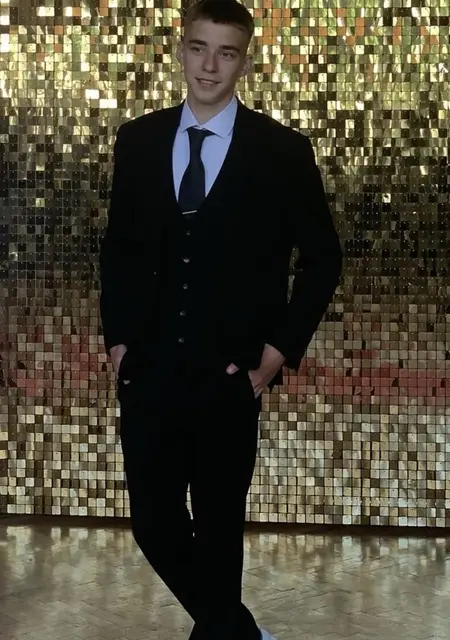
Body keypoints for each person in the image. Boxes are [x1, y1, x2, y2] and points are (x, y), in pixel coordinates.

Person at [99, 0, 343, 638]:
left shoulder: (282, 150)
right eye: (198, 48)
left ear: (244, 62)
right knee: (154, 524)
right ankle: (240, 635)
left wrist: (278, 352)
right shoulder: (138, 139)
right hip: (149, 370)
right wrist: (119, 342)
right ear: (181, 50)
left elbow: (323, 259)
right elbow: (119, 249)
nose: (209, 66)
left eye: (226, 52)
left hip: (231, 375)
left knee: (217, 529)